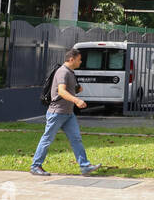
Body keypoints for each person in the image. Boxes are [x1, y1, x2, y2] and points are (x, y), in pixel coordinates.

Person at [30, 47, 101, 177]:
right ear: (71, 59)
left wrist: (76, 90)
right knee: (47, 139)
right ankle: (35, 166)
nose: (80, 62)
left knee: (76, 139)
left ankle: (85, 166)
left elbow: (70, 89)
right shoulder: (63, 72)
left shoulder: (70, 72)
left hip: (68, 114)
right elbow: (61, 91)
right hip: (57, 113)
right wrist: (76, 100)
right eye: (79, 60)